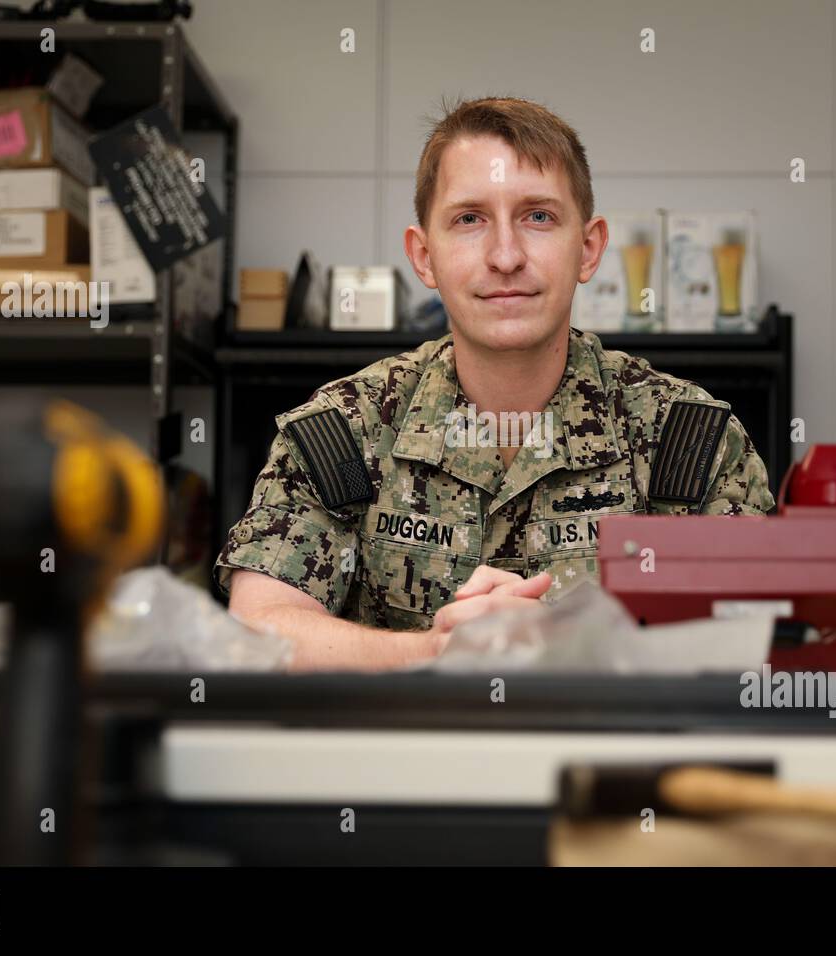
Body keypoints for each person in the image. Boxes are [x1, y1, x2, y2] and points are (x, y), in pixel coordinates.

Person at [217, 96, 774, 671]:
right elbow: (257, 631)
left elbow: (757, 642)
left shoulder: (688, 439)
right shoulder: (346, 432)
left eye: (538, 216)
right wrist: (435, 652)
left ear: (588, 247)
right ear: (424, 256)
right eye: (469, 219)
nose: (505, 256)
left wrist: (580, 653)